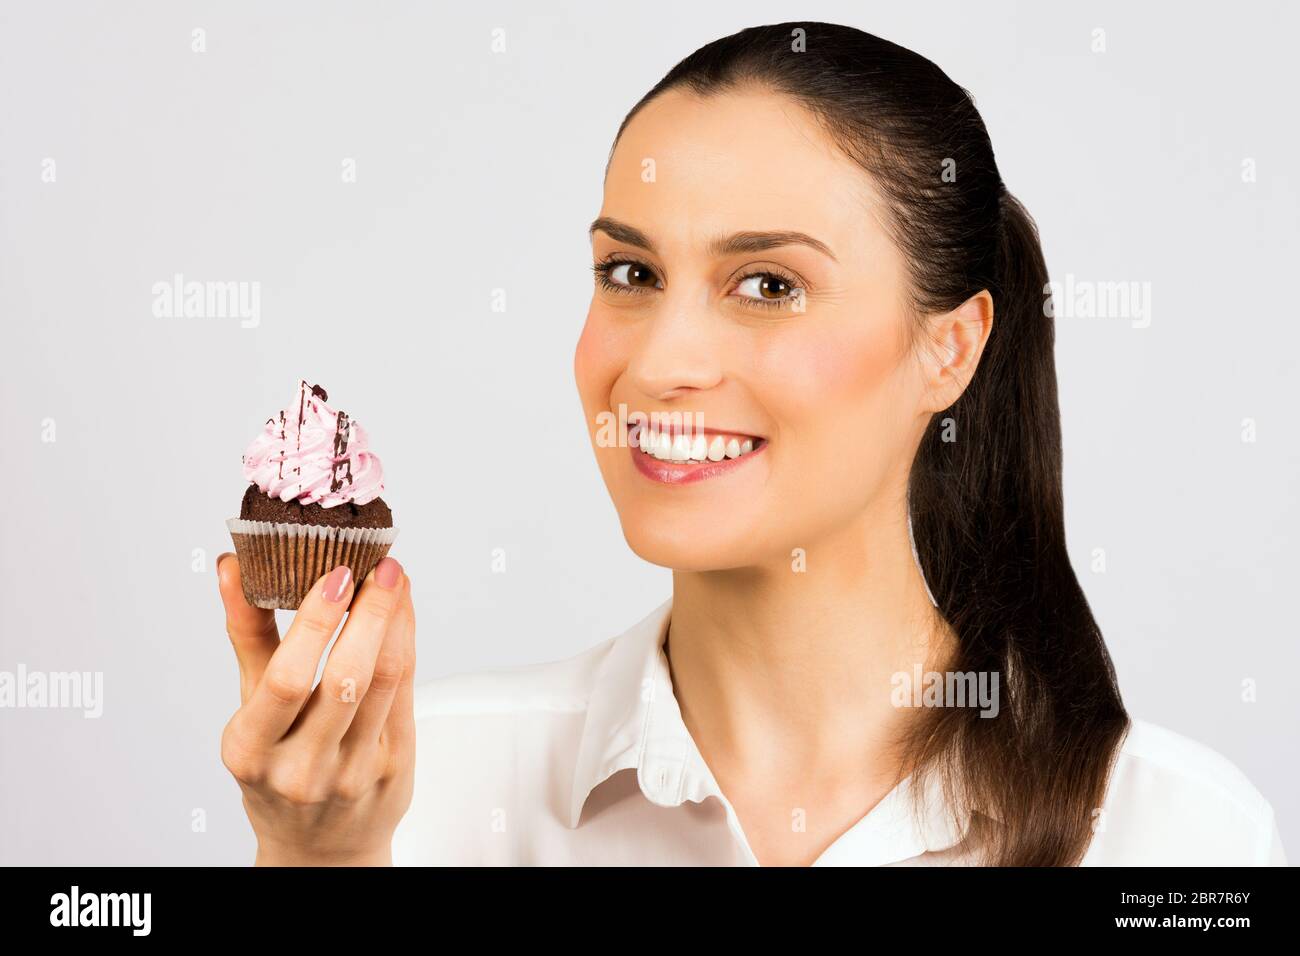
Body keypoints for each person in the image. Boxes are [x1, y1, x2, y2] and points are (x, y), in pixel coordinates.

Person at [215, 21, 1286, 866]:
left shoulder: (1178, 839)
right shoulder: (418, 789)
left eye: (769, 284)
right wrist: (322, 859)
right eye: (630, 274)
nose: (661, 361)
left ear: (947, 351)